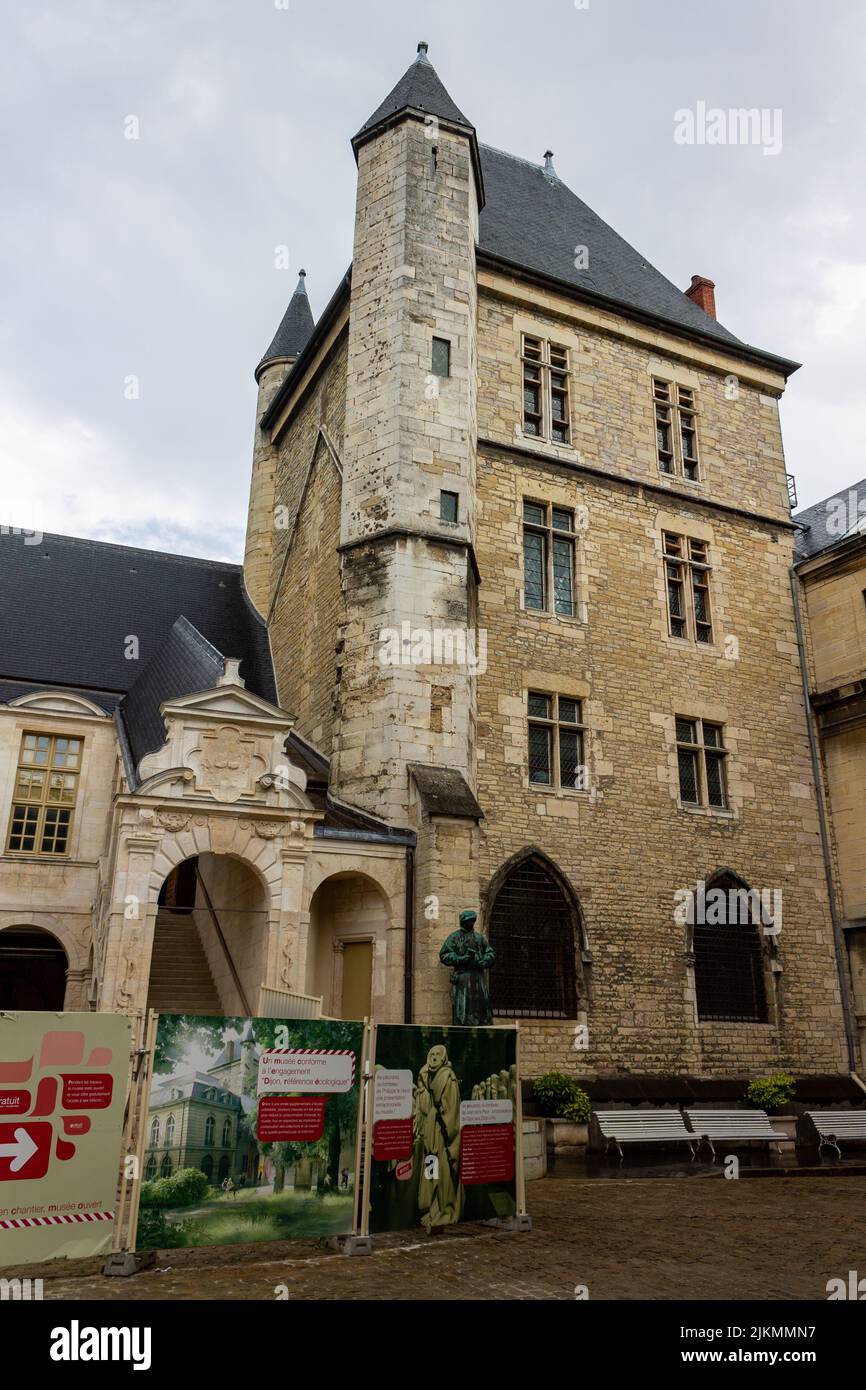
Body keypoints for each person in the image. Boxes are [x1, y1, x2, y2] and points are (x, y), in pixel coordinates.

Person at [413, 1044, 463, 1229]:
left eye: (437, 1055)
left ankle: (445, 1211)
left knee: (443, 1175)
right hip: (431, 1135)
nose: (433, 1057)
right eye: (431, 1054)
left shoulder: (448, 1078)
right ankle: (432, 1209)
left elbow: (451, 1112)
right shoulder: (429, 1076)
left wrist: (450, 1136)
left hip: (442, 1137)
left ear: (444, 1058)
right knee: (431, 1171)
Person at [438, 909, 495, 1026]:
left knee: (481, 1010)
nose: (471, 923)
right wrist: (461, 958)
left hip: (478, 977)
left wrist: (483, 961)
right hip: (463, 977)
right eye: (469, 921)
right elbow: (444, 955)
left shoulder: (479, 938)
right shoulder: (454, 937)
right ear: (463, 922)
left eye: (472, 921)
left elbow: (490, 954)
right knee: (462, 1010)